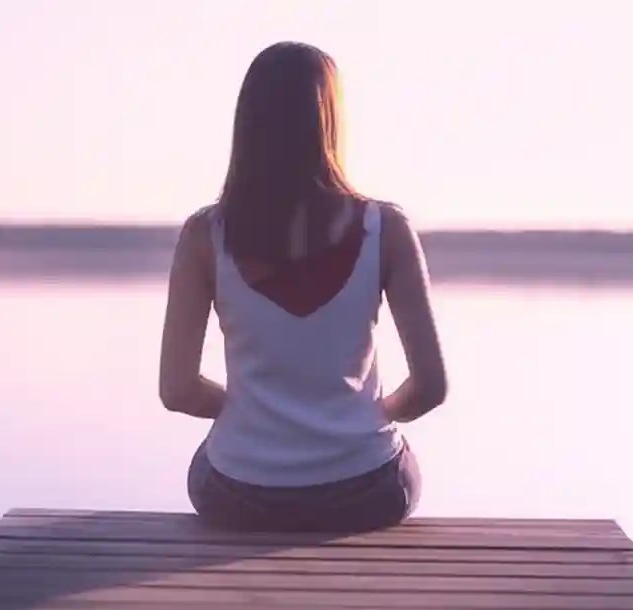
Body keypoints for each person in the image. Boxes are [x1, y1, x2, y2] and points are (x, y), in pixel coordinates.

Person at [159, 41, 447, 533]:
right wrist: (376, 412)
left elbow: (178, 390)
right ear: (330, 120)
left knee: (207, 466)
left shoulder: (204, 235)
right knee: (399, 465)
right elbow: (430, 388)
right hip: (366, 490)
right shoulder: (387, 230)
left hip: (240, 494)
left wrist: (248, 410)